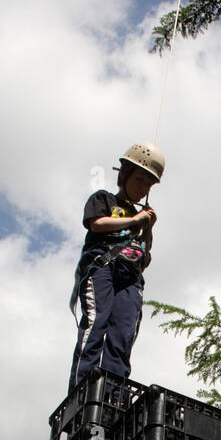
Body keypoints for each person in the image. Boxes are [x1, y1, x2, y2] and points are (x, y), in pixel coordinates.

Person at [68, 141, 165, 400]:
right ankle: (81, 397)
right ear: (125, 174)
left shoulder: (141, 216)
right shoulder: (104, 199)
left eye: (149, 184)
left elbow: (145, 257)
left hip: (130, 276)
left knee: (123, 334)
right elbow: (96, 224)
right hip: (103, 266)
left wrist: (148, 227)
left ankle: (113, 401)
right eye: (141, 180)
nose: (144, 188)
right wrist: (134, 220)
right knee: (95, 326)